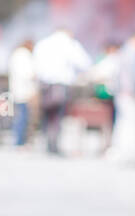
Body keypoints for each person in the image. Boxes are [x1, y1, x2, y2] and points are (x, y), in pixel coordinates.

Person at [32, 27, 93, 156]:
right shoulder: (69, 44)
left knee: (47, 115)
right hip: (60, 86)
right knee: (57, 116)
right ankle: (54, 144)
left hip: (44, 86)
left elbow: (35, 67)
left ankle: (48, 143)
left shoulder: (42, 44)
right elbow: (84, 63)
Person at [107, 32, 135, 167]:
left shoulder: (123, 52)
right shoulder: (134, 53)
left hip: (122, 94)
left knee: (122, 124)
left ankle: (119, 153)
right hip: (130, 96)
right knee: (131, 125)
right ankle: (128, 154)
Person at [7, 39, 37, 146]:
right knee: (23, 118)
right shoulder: (24, 55)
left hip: (16, 90)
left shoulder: (15, 55)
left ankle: (19, 140)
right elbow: (29, 73)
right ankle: (20, 142)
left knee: (19, 117)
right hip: (24, 92)